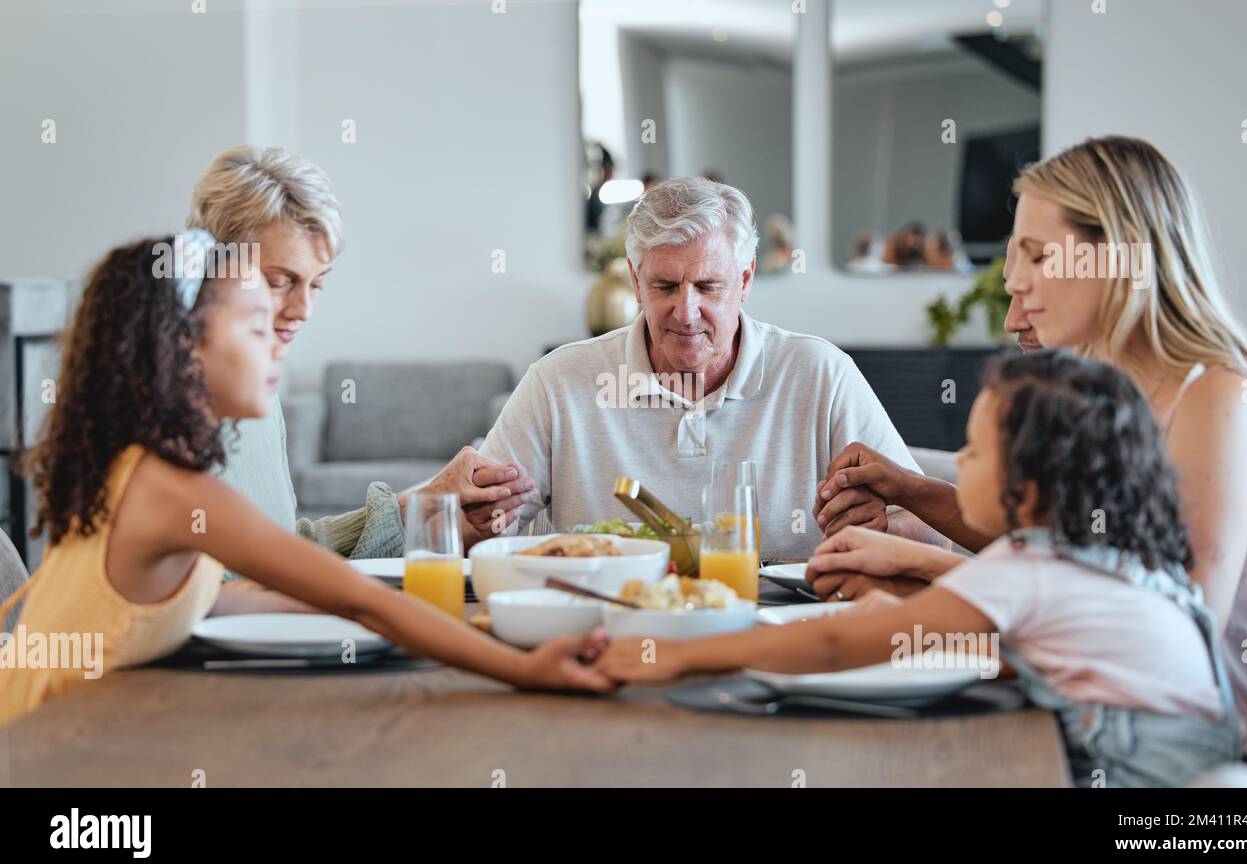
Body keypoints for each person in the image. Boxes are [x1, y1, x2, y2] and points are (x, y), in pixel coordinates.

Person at [815, 136, 1247, 769]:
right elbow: (1067, 558)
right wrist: (913, 491)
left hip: (1211, 768)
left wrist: (921, 569)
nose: (1014, 281)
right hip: (1097, 719)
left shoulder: (1217, 400)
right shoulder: (1110, 387)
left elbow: (1158, 628)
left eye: (1038, 255)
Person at [0, 234, 611, 723]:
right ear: (183, 349)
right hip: (41, 754)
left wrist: (454, 620)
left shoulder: (140, 469)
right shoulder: (175, 491)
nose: (280, 346)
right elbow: (356, 597)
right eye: (257, 327)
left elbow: (223, 597)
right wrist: (522, 667)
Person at [597, 351, 1242, 788]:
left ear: (1035, 486)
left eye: (977, 450)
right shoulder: (1114, 557)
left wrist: (675, 658)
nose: (958, 459)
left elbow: (828, 642)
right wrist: (912, 622)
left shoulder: (1028, 568)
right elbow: (1067, 656)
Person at [478, 176, 943, 559]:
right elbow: (479, 530)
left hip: (783, 633)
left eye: (708, 286)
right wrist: (471, 519)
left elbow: (932, 529)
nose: (686, 312)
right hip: (605, 629)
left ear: (745, 280)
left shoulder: (821, 374)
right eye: (664, 286)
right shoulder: (557, 381)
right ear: (636, 282)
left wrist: (883, 527)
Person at [188, 146, 532, 560]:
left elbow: (283, 549)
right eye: (280, 281)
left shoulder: (262, 390)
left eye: (317, 285)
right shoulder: (160, 405)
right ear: (212, 268)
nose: (303, 311)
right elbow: (224, 586)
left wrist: (424, 507)